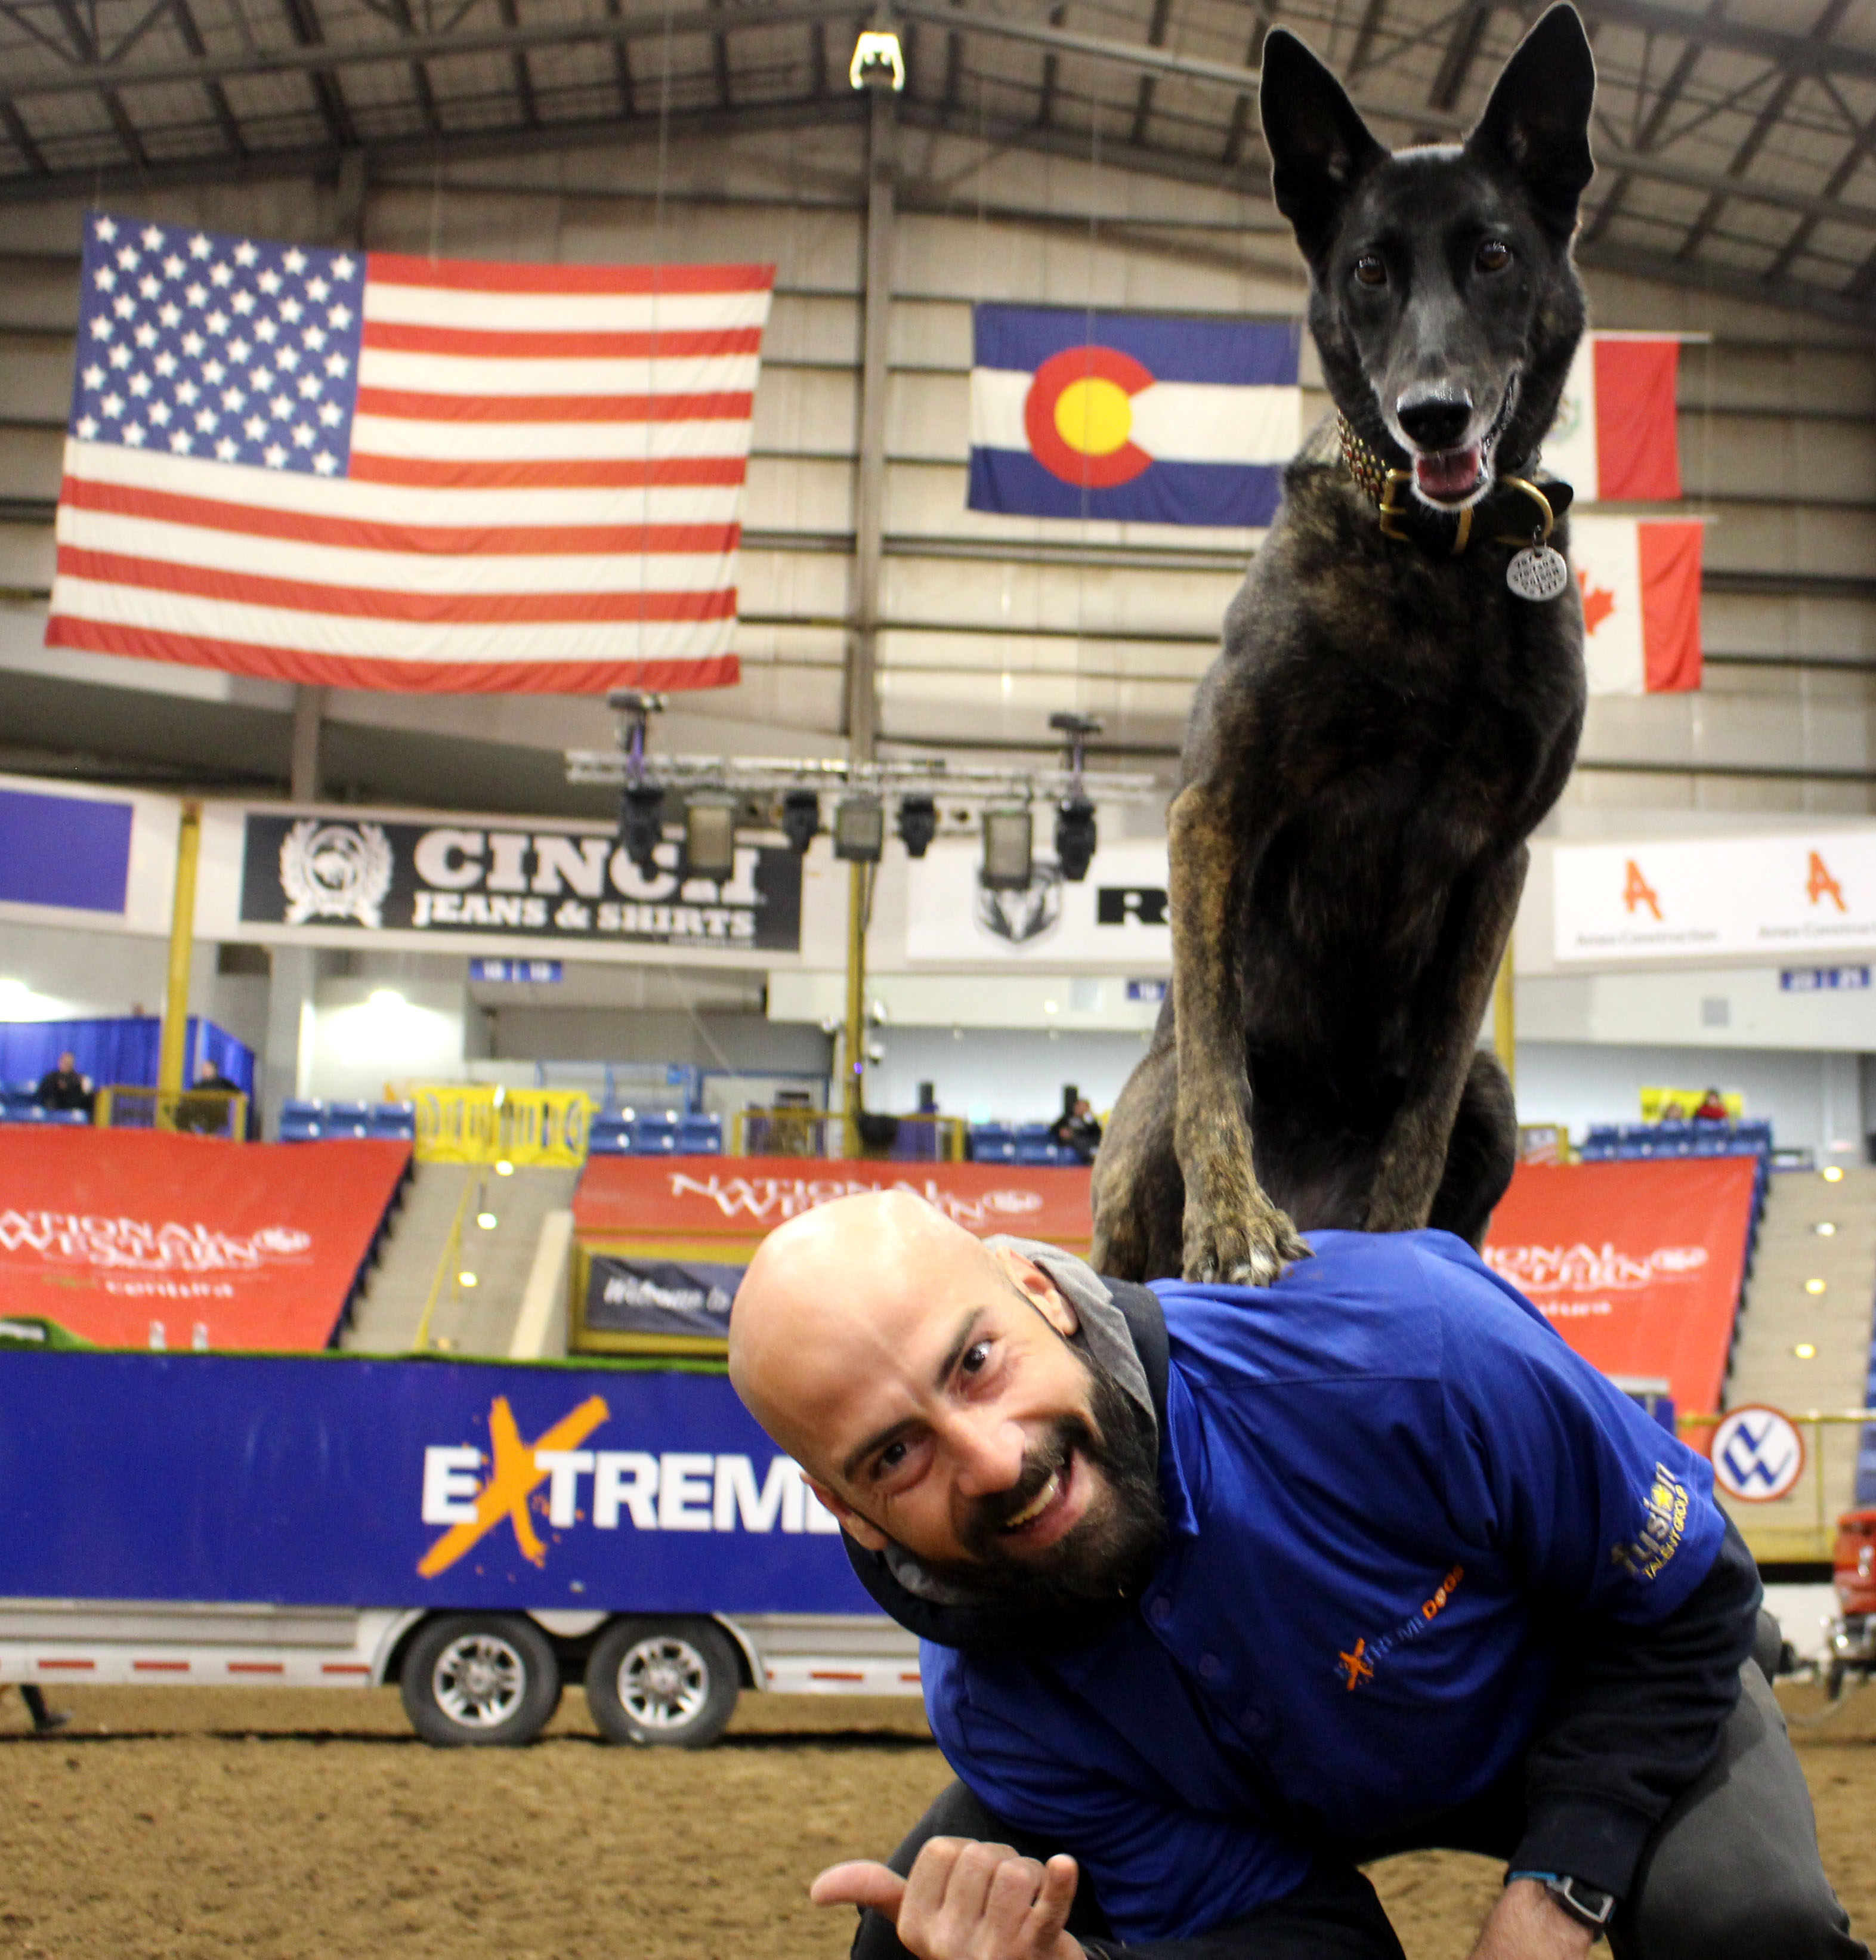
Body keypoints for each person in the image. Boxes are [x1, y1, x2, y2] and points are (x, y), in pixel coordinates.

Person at [728, 1192, 1865, 1960]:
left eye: (974, 1364)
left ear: (1042, 1291)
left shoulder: (1399, 1339)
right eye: (895, 1453)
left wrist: (1559, 1887)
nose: (996, 1461)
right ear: (845, 1508)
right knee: (913, 1937)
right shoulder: (988, 1702)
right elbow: (1302, 1940)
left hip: (1588, 1681)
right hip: (1264, 1815)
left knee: (1747, 1926)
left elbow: (1694, 1591)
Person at [33, 1051, 92, 1118]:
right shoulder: (50, 1078)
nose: (66, 1065)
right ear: (60, 1062)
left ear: (73, 1065)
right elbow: (41, 1096)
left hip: (71, 1116)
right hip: (51, 1114)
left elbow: (84, 1103)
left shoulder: (80, 1080)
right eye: (64, 1062)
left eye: (69, 1063)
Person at [1050, 1098, 1102, 1165]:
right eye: (1077, 1106)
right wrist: (1061, 1131)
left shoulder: (1089, 1120)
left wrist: (1090, 1119)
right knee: (1079, 1142)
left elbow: (1097, 1132)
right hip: (1071, 1142)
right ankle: (1091, 1156)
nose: (1079, 1109)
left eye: (1082, 1107)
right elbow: (1053, 1129)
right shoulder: (1067, 1118)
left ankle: (1093, 1155)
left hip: (1088, 1141)